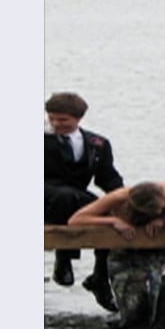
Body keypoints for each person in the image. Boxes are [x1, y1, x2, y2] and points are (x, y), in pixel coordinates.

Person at [67, 182, 165, 329]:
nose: (159, 211)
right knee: (134, 307)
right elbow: (76, 220)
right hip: (126, 253)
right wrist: (113, 221)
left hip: (162, 251)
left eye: (162, 208)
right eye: (155, 211)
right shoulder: (119, 197)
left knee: (161, 286)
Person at [44, 92, 123, 313]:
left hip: (76, 196)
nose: (55, 124)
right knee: (65, 197)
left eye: (62, 120)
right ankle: (64, 258)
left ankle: (100, 275)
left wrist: (123, 200)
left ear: (78, 119)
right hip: (46, 197)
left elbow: (108, 178)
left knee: (108, 213)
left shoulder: (97, 143)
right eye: (52, 118)